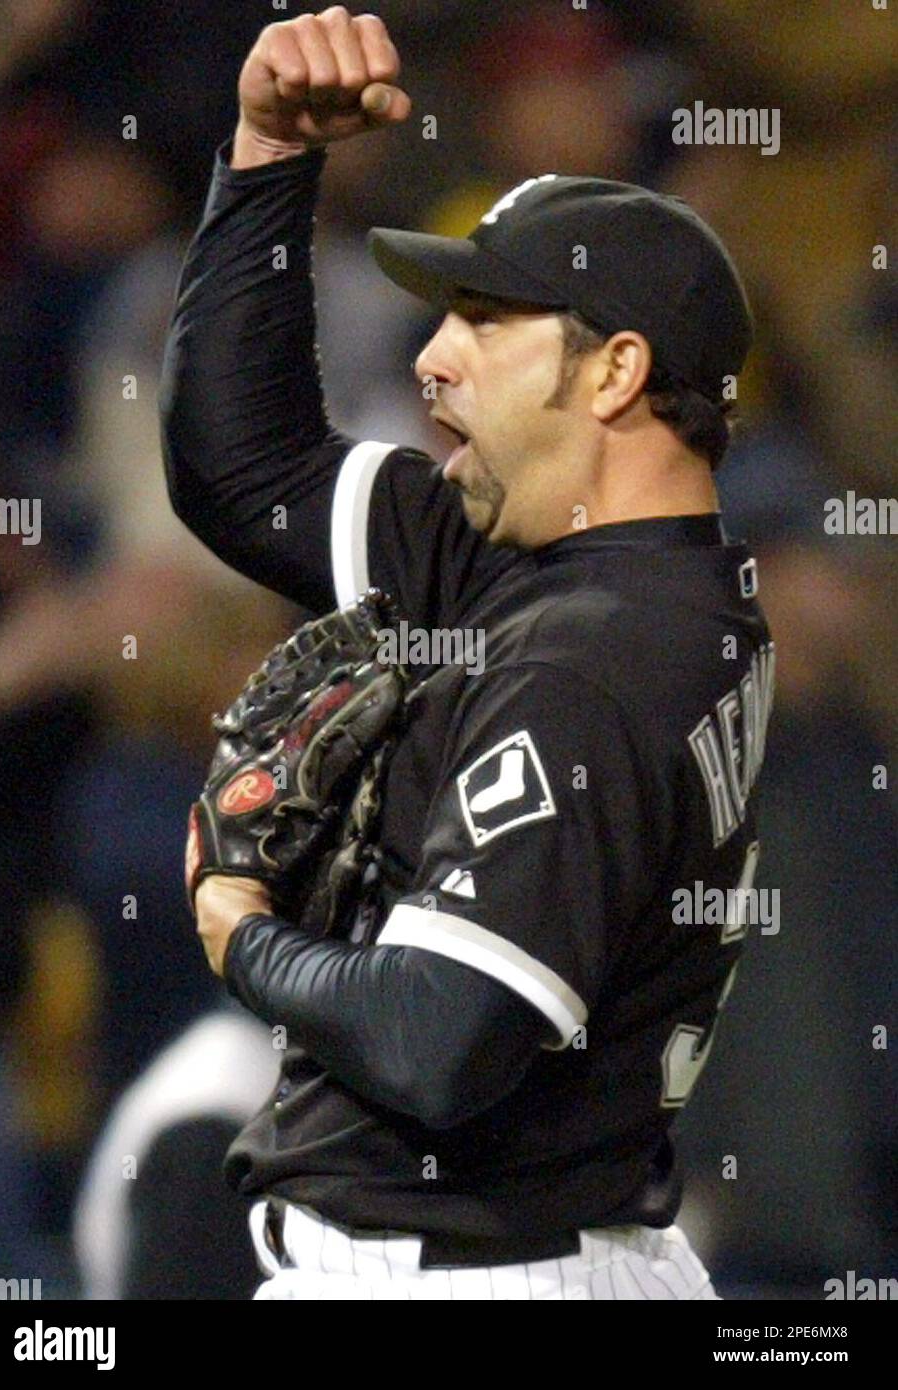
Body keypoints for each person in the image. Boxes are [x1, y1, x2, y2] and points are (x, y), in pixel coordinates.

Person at [160, 7, 774, 1300]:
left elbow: (439, 1036)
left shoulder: (592, 663)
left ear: (612, 373)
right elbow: (245, 468)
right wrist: (268, 158)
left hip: (467, 1272)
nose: (430, 357)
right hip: (557, 1243)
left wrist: (239, 933)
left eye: (483, 318)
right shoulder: (586, 568)